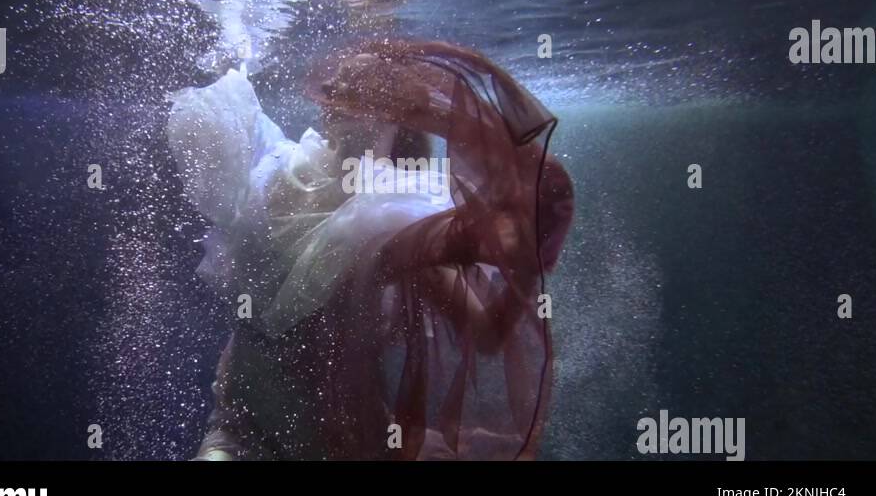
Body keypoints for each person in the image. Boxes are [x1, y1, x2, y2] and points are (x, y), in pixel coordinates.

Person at [167, 40, 574, 460]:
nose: (342, 97)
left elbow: (490, 329)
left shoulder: (397, 217)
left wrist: (532, 259)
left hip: (331, 444)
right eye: (341, 86)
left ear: (398, 116)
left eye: (366, 90)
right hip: (238, 426)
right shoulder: (271, 170)